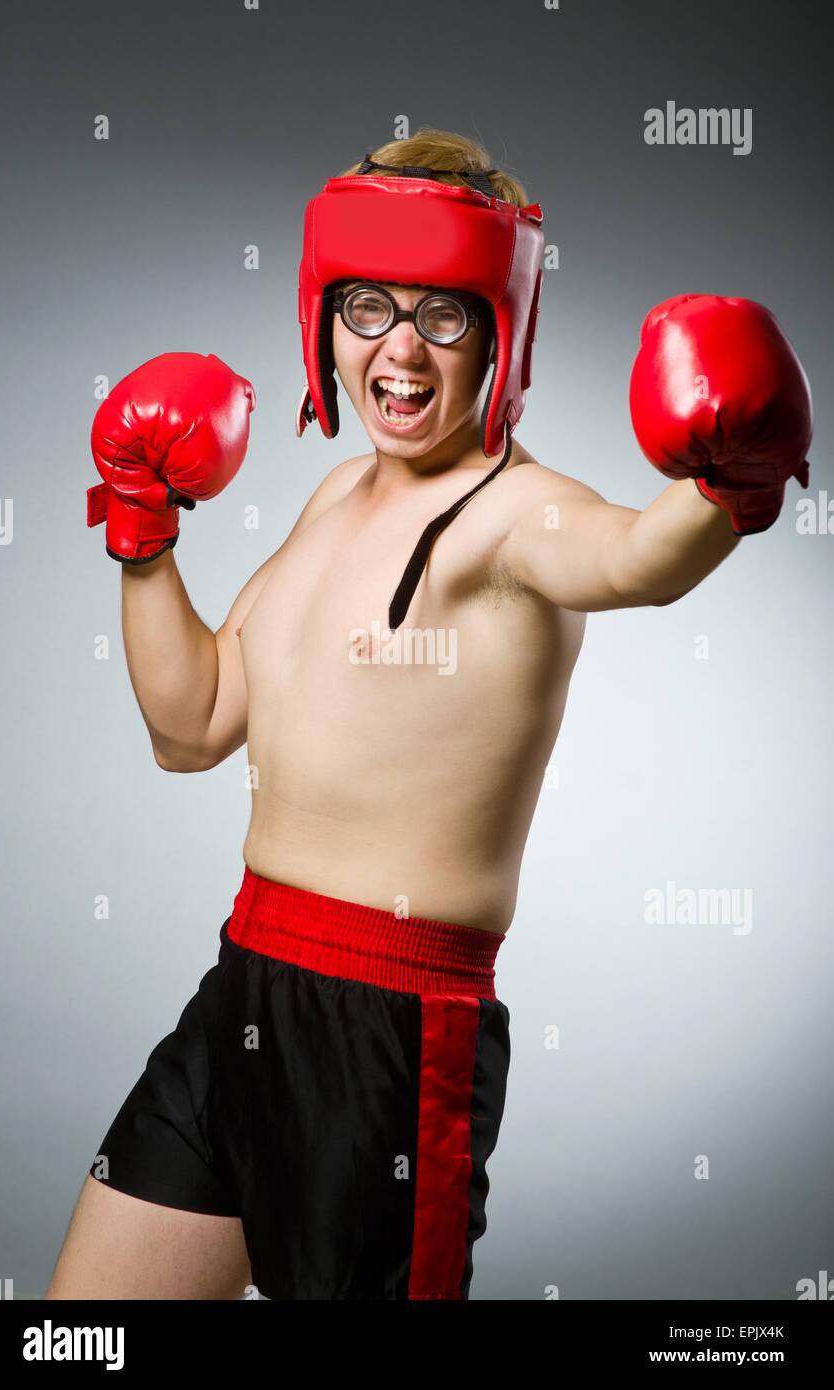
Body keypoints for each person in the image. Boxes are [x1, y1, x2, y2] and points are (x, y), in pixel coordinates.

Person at [47, 127, 812, 1301]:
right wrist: (144, 531)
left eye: (444, 314)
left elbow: (638, 558)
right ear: (325, 317)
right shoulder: (335, 493)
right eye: (369, 307)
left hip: (392, 1033)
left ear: (502, 333)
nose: (400, 350)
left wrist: (726, 480)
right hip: (243, 986)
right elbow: (191, 725)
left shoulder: (517, 514)